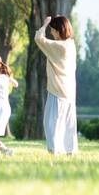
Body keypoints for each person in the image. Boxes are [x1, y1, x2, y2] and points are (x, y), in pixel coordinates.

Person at [34, 15, 77, 155]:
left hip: (57, 90)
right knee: (68, 125)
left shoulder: (60, 46)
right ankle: (70, 151)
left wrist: (45, 23)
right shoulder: (70, 44)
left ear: (59, 30)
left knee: (51, 123)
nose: (51, 33)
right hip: (69, 91)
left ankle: (54, 151)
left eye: (53, 30)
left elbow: (39, 39)